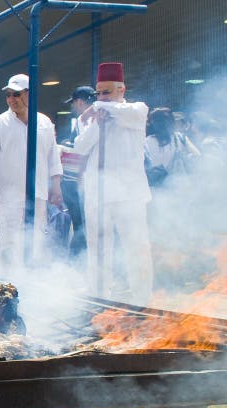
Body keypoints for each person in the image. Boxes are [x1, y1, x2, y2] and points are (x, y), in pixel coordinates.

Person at [73, 62, 152, 305]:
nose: (101, 98)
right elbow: (80, 147)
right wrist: (98, 122)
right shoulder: (90, 119)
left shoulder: (137, 110)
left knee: (136, 247)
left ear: (121, 89)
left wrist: (98, 107)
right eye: (98, 93)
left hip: (129, 193)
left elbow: (131, 115)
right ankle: (99, 298)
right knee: (97, 251)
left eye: (107, 92)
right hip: (98, 193)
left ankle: (142, 300)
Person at [0, 73, 63, 280]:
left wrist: (56, 185)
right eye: (8, 95)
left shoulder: (44, 122)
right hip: (8, 194)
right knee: (8, 239)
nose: (11, 99)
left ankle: (31, 281)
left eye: (16, 94)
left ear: (29, 94)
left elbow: (53, 156)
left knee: (35, 238)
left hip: (39, 193)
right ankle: (5, 283)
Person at [59, 86, 96, 259]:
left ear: (80, 102)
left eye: (74, 102)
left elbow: (83, 150)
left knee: (82, 222)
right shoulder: (95, 117)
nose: (73, 107)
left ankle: (78, 259)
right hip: (91, 180)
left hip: (83, 181)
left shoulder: (86, 119)